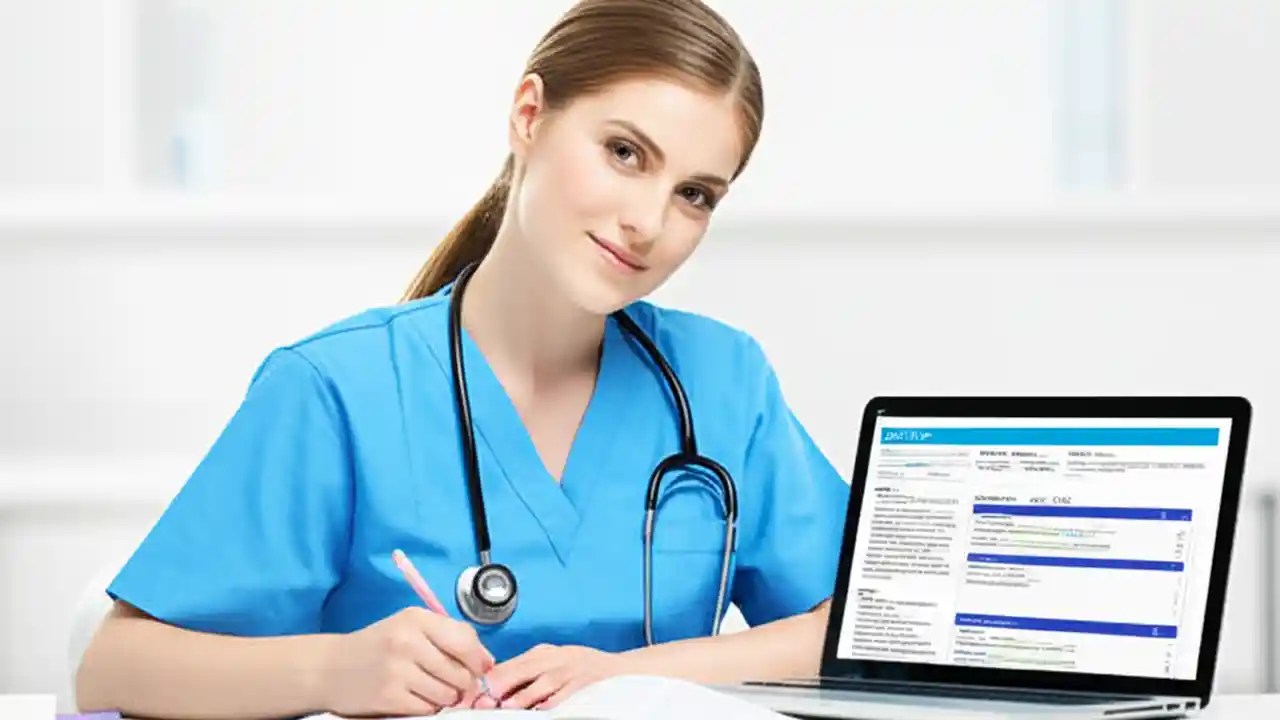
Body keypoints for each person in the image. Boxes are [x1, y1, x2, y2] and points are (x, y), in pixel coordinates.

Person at [74, 0, 851, 717]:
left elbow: (862, 626)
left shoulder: (722, 381)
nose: (648, 220)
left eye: (695, 195)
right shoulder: (339, 389)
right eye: (623, 152)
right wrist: (335, 671)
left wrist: (626, 675)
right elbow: (114, 664)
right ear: (528, 115)